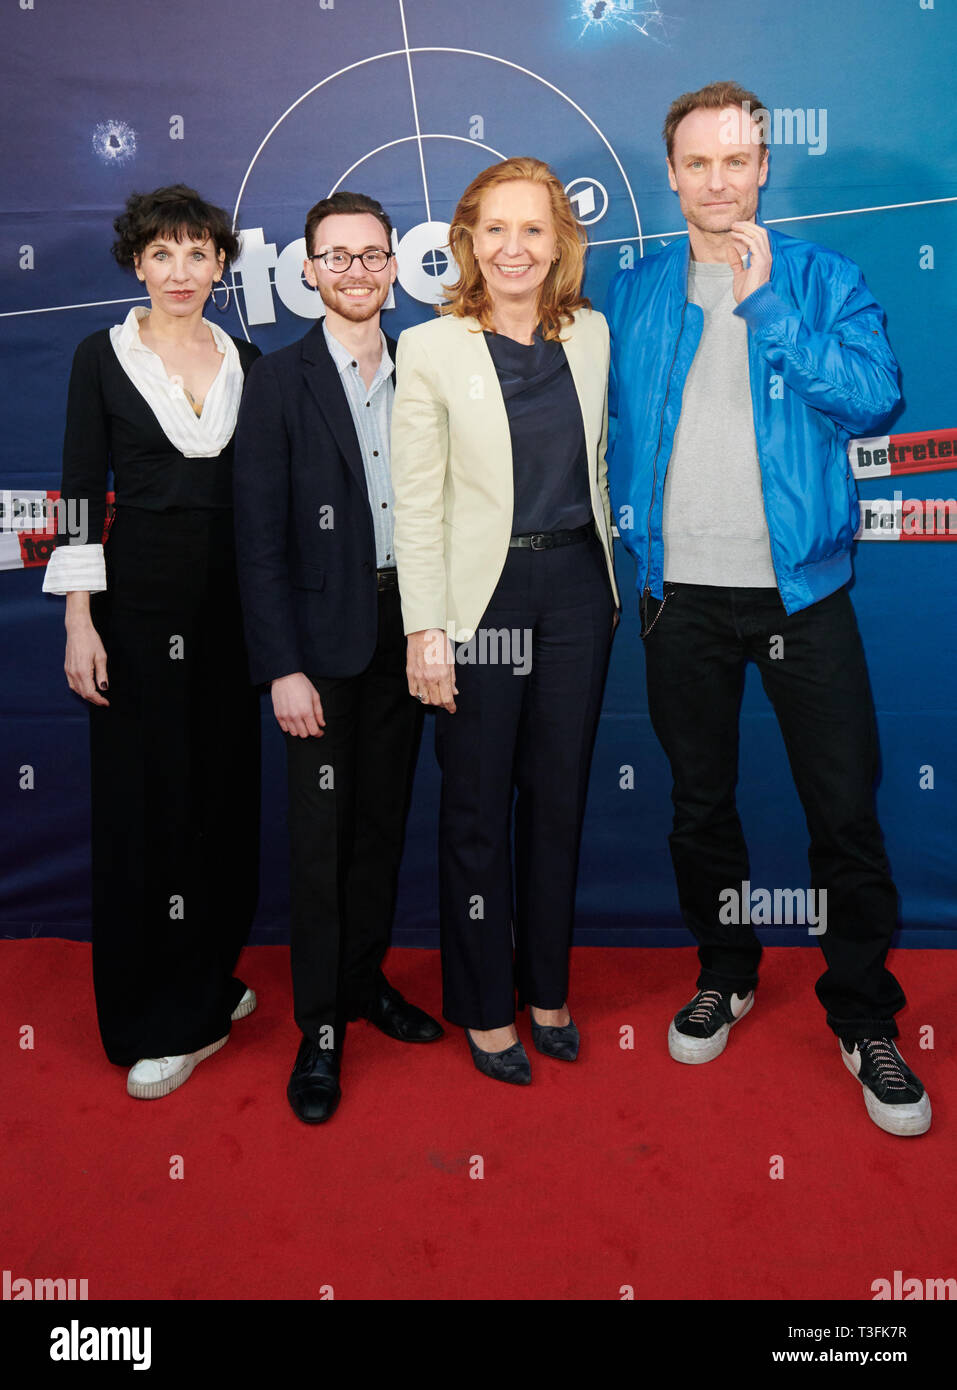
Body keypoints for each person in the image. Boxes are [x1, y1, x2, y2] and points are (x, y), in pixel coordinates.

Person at [606, 81, 930, 1136]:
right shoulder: (640, 288)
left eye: (736, 161)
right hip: (678, 598)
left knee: (844, 808)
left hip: (804, 592)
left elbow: (875, 399)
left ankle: (864, 1013)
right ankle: (726, 969)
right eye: (697, 163)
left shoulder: (823, 277)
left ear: (763, 167)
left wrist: (771, 306)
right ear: (671, 173)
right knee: (700, 803)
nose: (717, 180)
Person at [390, 157, 620, 1085]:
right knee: (479, 808)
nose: (513, 248)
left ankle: (547, 988)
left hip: (573, 592)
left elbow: (599, 465)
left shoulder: (594, 334)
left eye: (532, 229)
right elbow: (417, 503)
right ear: (467, 244)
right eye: (494, 231)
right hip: (478, 601)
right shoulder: (431, 348)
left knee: (557, 800)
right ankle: (486, 1008)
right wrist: (425, 629)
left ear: (559, 241)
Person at [43, 184, 262, 1100]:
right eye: (162, 254)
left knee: (222, 799)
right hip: (134, 616)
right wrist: (78, 616)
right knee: (149, 810)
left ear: (221, 264)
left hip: (236, 617)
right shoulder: (102, 357)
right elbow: (77, 494)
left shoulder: (249, 357)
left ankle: (210, 974)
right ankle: (165, 1016)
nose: (181, 271)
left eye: (198, 254)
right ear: (138, 263)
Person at [233, 191, 443, 1127]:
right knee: (318, 846)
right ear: (307, 271)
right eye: (336, 257)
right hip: (318, 649)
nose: (355, 272)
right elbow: (258, 539)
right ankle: (319, 1029)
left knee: (379, 827)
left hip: (409, 632)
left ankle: (363, 987)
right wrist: (281, 665)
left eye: (371, 256)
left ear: (394, 267)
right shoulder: (276, 382)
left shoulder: (429, 369)